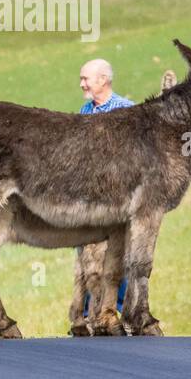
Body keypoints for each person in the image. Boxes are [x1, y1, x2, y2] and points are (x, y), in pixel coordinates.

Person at [77, 59, 132, 314]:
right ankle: (90, 312)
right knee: (88, 255)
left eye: (85, 79)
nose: (82, 84)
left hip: (116, 199)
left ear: (103, 80)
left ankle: (118, 309)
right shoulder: (84, 112)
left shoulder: (126, 111)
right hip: (87, 198)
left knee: (117, 252)